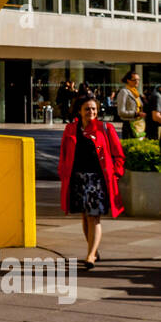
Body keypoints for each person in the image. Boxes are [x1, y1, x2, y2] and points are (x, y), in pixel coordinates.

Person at [58, 96, 125, 268]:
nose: (91, 112)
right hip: (78, 178)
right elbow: (64, 153)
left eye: (94, 109)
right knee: (84, 216)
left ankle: (90, 256)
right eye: (87, 109)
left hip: (97, 179)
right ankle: (93, 249)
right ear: (79, 111)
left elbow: (118, 155)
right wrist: (63, 171)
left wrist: (115, 173)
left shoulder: (104, 128)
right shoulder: (71, 129)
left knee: (93, 217)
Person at [115, 70, 145, 139]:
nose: (137, 82)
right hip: (128, 125)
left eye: (138, 80)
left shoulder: (136, 93)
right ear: (128, 80)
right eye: (134, 80)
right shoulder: (124, 92)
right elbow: (120, 112)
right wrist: (136, 114)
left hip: (138, 123)